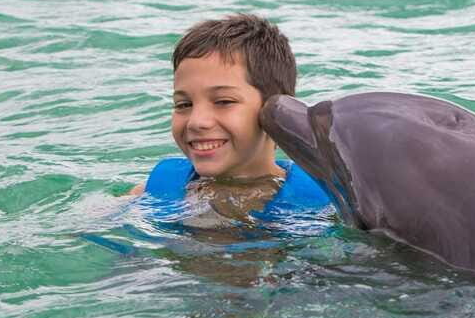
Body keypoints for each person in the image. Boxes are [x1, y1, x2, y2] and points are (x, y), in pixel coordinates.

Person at [129, 14, 331, 226]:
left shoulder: (326, 205)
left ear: (276, 111)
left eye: (223, 101)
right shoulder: (151, 192)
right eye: (184, 105)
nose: (196, 122)